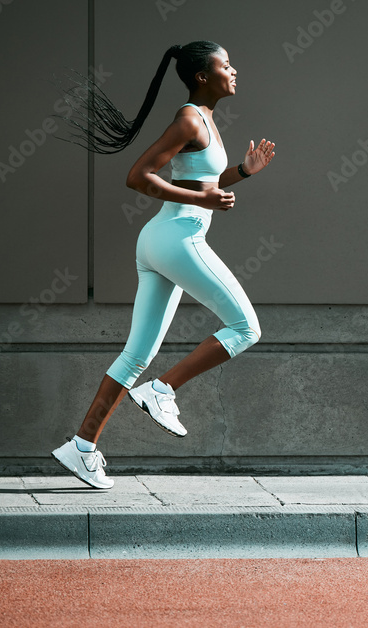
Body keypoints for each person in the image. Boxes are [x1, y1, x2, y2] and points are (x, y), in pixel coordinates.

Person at [50, 41, 275, 489]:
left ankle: (81, 447)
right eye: (225, 64)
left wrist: (242, 173)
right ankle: (162, 390)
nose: (235, 70)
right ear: (201, 77)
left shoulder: (204, 118)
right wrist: (203, 198)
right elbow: (138, 176)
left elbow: (202, 181)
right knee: (246, 328)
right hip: (178, 238)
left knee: (136, 355)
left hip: (160, 240)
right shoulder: (190, 117)